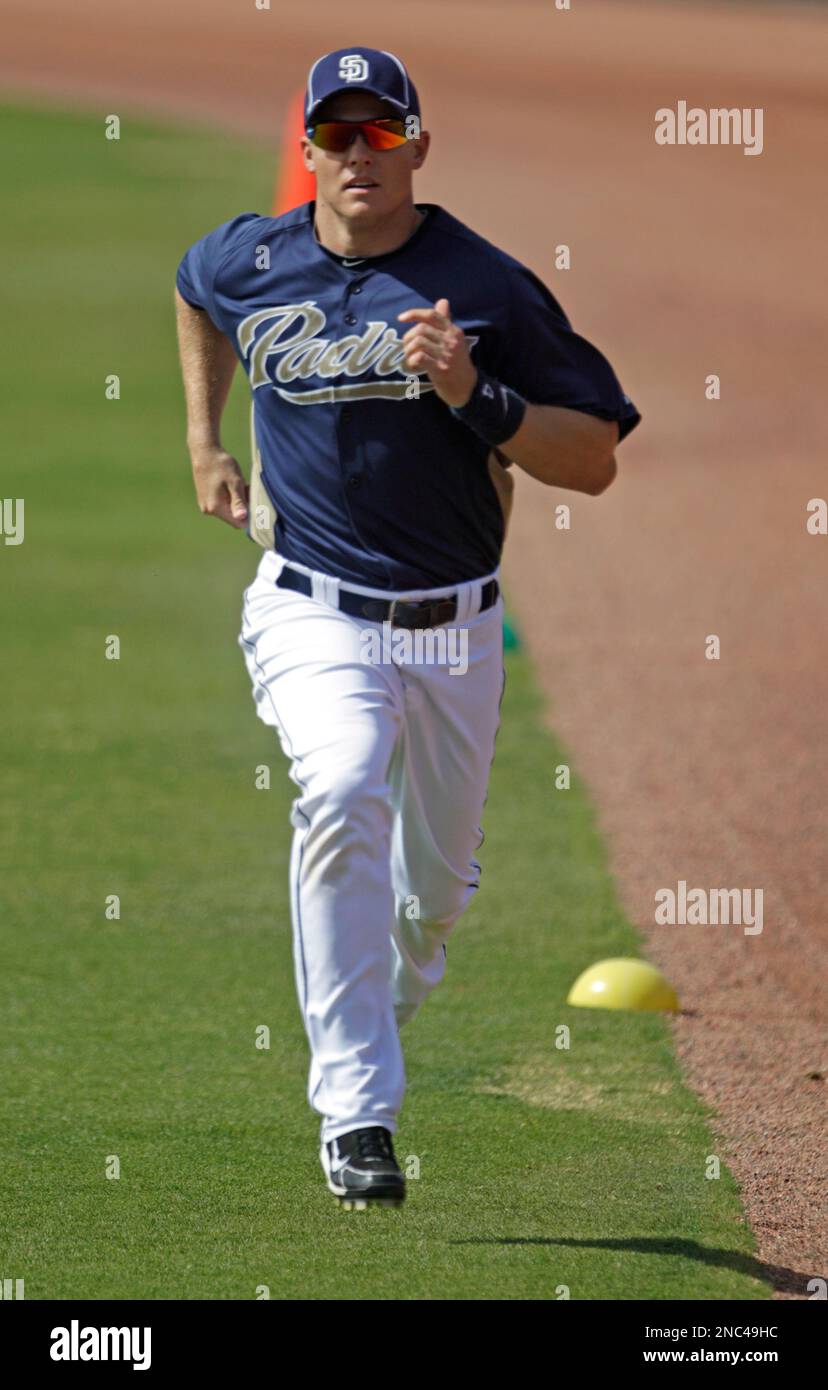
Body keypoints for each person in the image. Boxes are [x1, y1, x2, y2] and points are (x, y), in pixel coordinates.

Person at [174, 46, 641, 1211]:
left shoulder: (488, 284)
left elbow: (594, 460)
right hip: (308, 608)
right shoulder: (255, 255)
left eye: (380, 133)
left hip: (455, 633)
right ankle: (358, 1113)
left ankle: (383, 997)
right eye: (335, 135)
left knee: (429, 905)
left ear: (418, 146)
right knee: (337, 786)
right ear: (312, 150)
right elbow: (194, 292)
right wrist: (201, 436)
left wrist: (476, 394)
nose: (355, 155)